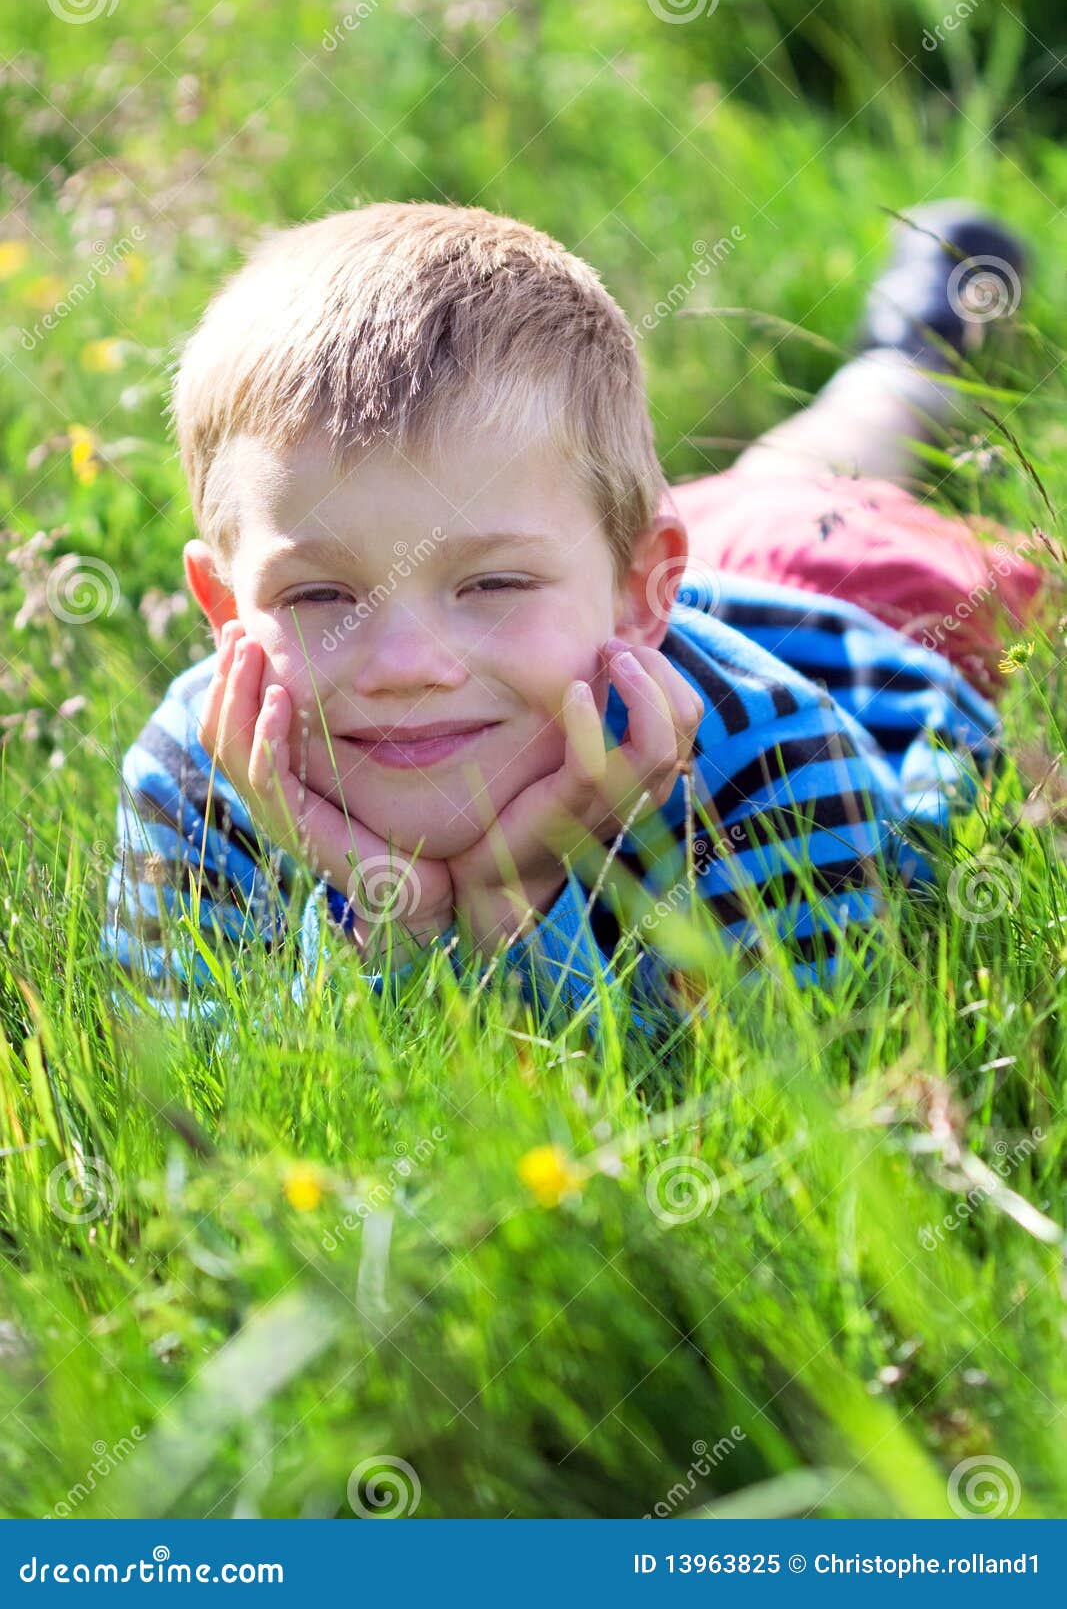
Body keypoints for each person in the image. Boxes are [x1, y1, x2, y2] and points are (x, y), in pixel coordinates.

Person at [102, 200, 1042, 1037]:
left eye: (489, 586)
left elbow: (768, 1086)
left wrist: (512, 915)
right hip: (616, 568)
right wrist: (403, 925)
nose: (403, 665)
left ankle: (914, 356)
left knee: (818, 472)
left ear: (641, 592)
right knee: (774, 473)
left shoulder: (778, 775)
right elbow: (225, 1087)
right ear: (226, 609)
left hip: (868, 605)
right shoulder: (196, 776)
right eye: (319, 595)